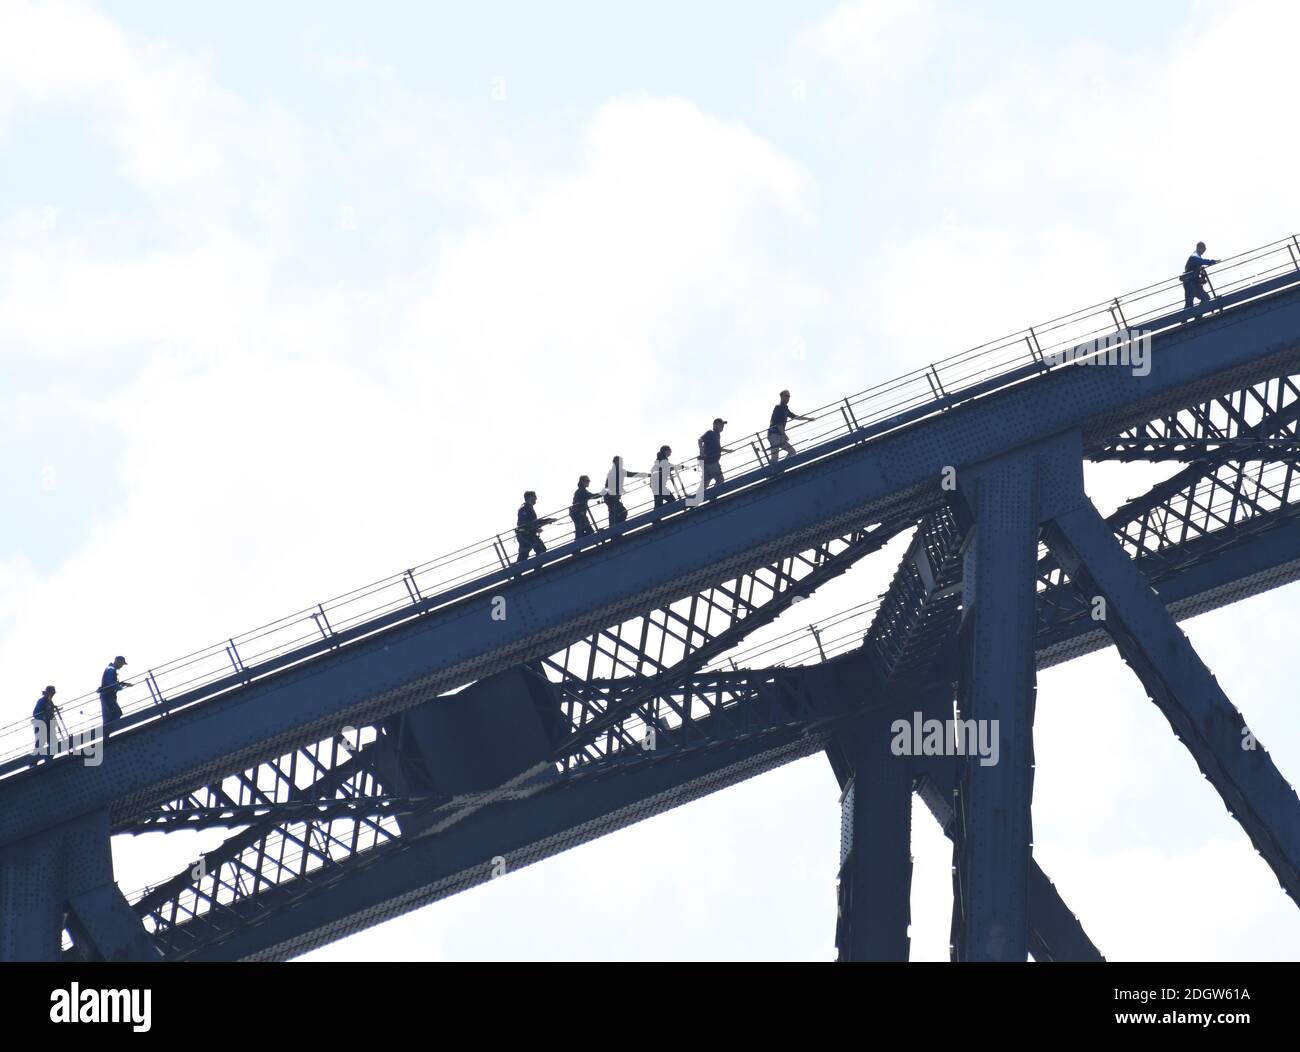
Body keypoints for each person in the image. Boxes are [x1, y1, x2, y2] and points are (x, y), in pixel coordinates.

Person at [688, 418, 733, 505]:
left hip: (708, 461)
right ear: (715, 425)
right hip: (711, 461)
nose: (723, 426)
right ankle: (712, 497)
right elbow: (700, 440)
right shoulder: (711, 433)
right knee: (720, 479)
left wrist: (727, 451)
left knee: (705, 483)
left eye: (723, 425)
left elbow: (717, 448)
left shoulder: (717, 435)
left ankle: (692, 502)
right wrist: (701, 451)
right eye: (721, 424)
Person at [767, 390, 815, 463]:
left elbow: (795, 417)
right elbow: (778, 423)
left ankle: (780, 469)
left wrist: (808, 419)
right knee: (776, 458)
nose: (788, 398)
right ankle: (775, 470)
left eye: (789, 396)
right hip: (774, 434)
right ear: (781, 396)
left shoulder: (785, 409)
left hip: (778, 434)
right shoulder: (779, 407)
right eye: (786, 396)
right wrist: (783, 434)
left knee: (791, 452)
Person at [603, 456, 648, 526]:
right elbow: (632, 474)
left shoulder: (614, 471)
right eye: (621, 462)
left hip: (610, 497)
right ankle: (616, 530)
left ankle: (615, 530)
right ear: (616, 462)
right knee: (621, 512)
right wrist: (648, 475)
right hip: (611, 497)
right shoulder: (617, 471)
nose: (622, 463)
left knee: (615, 514)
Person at [515, 491, 555, 563]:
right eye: (534, 496)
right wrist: (542, 524)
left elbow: (532, 522)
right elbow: (528, 523)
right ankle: (537, 569)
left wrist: (547, 521)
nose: (536, 498)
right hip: (525, 534)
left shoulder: (527, 507)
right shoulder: (525, 508)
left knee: (523, 555)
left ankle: (517, 572)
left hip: (525, 534)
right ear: (530, 497)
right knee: (541, 549)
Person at [1182, 241, 1219, 313]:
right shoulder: (1194, 256)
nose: (1204, 251)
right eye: (1203, 249)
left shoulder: (1197, 257)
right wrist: (1211, 261)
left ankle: (1198, 315)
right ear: (1199, 248)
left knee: (1205, 297)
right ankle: (1184, 322)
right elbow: (1199, 260)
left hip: (1194, 283)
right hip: (1190, 283)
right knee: (1189, 303)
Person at [99, 656, 131, 728]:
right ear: (118, 661)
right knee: (117, 713)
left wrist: (124, 684)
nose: (122, 666)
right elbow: (111, 682)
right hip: (107, 695)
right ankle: (110, 734)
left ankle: (107, 736)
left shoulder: (110, 669)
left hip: (106, 695)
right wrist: (119, 687)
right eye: (122, 664)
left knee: (108, 718)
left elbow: (111, 682)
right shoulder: (111, 669)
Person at [32, 685, 58, 761]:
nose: (52, 695)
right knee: (39, 746)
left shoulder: (50, 702)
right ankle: (33, 764)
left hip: (49, 726)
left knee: (53, 743)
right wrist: (43, 718)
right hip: (41, 726)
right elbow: (35, 713)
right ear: (47, 693)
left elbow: (51, 713)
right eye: (51, 693)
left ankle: (47, 760)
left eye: (53, 693)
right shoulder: (42, 701)